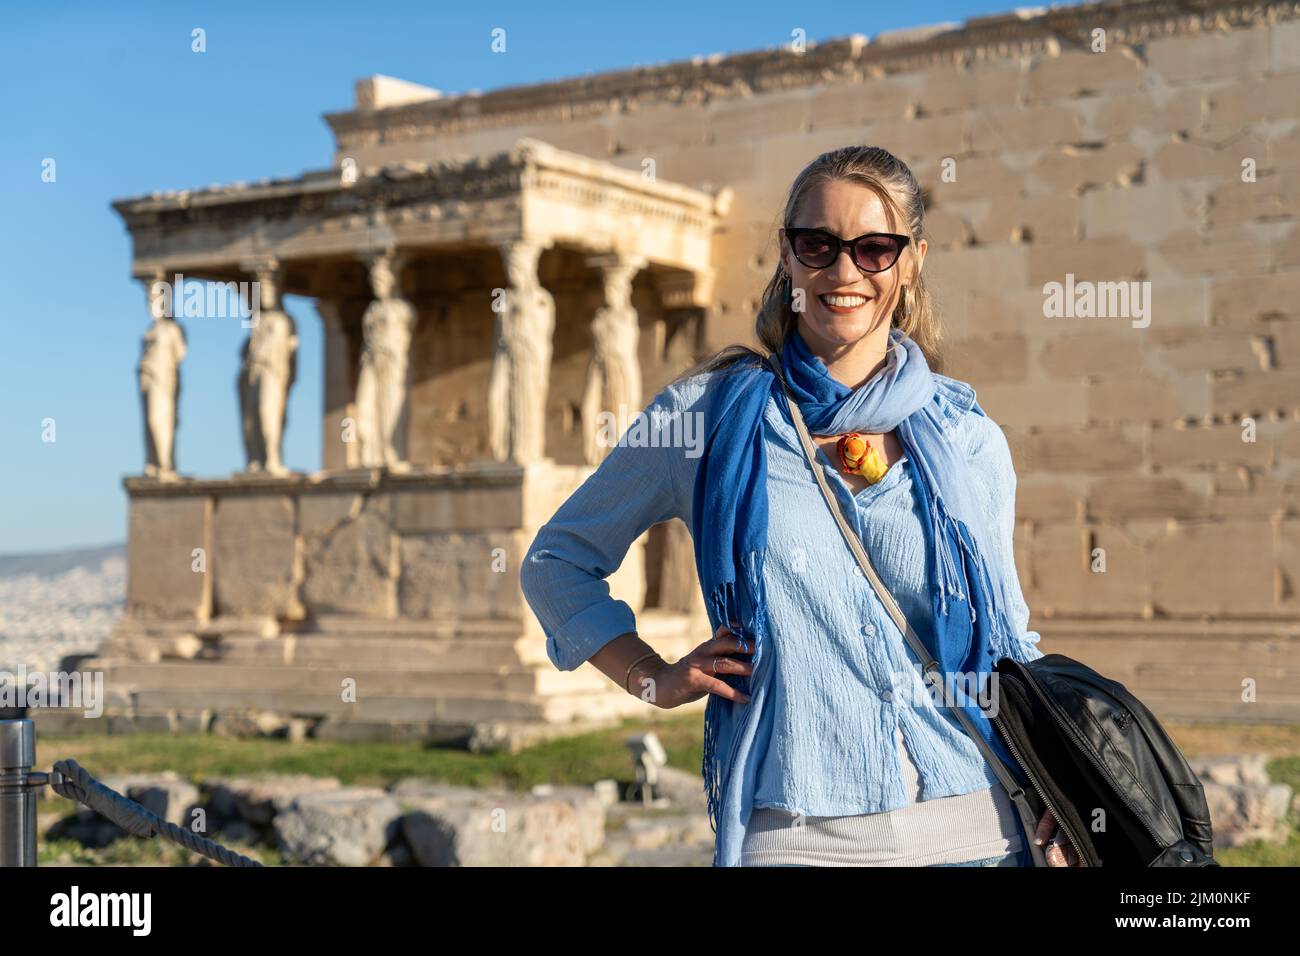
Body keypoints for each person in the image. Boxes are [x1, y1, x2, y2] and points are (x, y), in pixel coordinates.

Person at [520, 144, 1081, 868]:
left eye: (874, 248)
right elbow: (556, 562)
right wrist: (651, 677)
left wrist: (1064, 789)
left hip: (981, 829)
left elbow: (1008, 641)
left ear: (910, 262)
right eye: (817, 245)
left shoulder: (966, 437)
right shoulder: (707, 418)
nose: (843, 272)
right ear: (787, 255)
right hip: (799, 839)